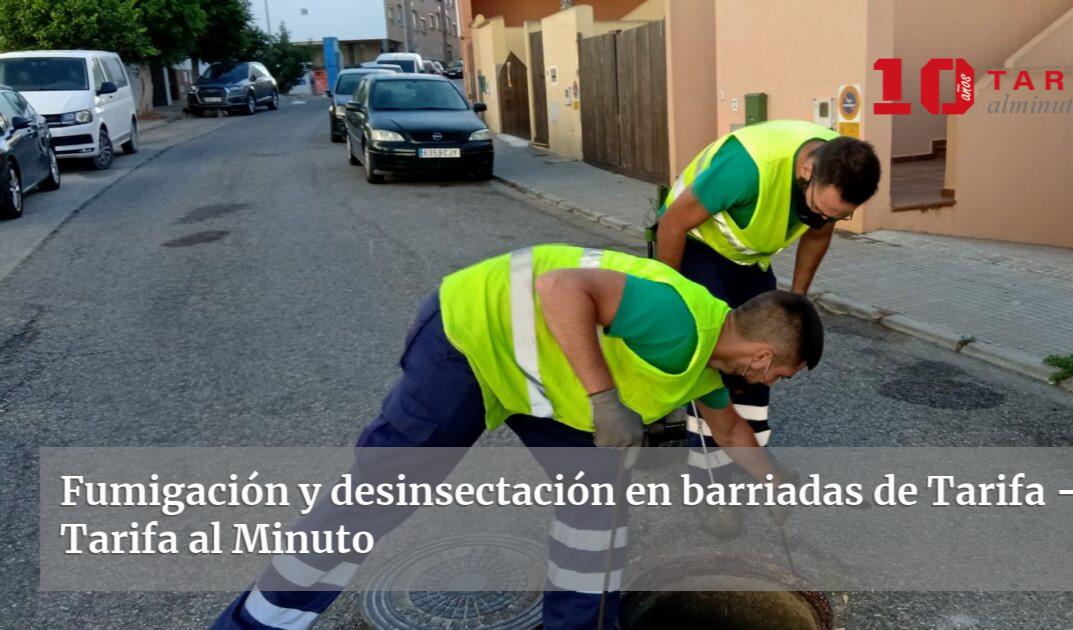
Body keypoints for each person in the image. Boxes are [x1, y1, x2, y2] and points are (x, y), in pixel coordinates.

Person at [211, 244, 824, 630]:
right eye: (782, 374)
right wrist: (605, 402)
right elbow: (561, 288)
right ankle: (254, 623)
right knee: (377, 497)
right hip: (470, 342)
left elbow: (730, 427)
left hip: (536, 380)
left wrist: (776, 488)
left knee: (597, 506)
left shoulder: (707, 362)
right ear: (766, 355)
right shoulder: (678, 318)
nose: (772, 382)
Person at [654, 119, 880, 536]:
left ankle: (756, 471)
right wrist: (671, 305)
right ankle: (710, 492)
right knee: (710, 367)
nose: (823, 218)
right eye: (822, 209)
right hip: (698, 249)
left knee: (765, 359)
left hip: (750, 260)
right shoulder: (748, 167)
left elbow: (816, 237)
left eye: (837, 215)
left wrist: (796, 302)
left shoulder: (840, 169)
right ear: (807, 171)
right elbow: (672, 224)